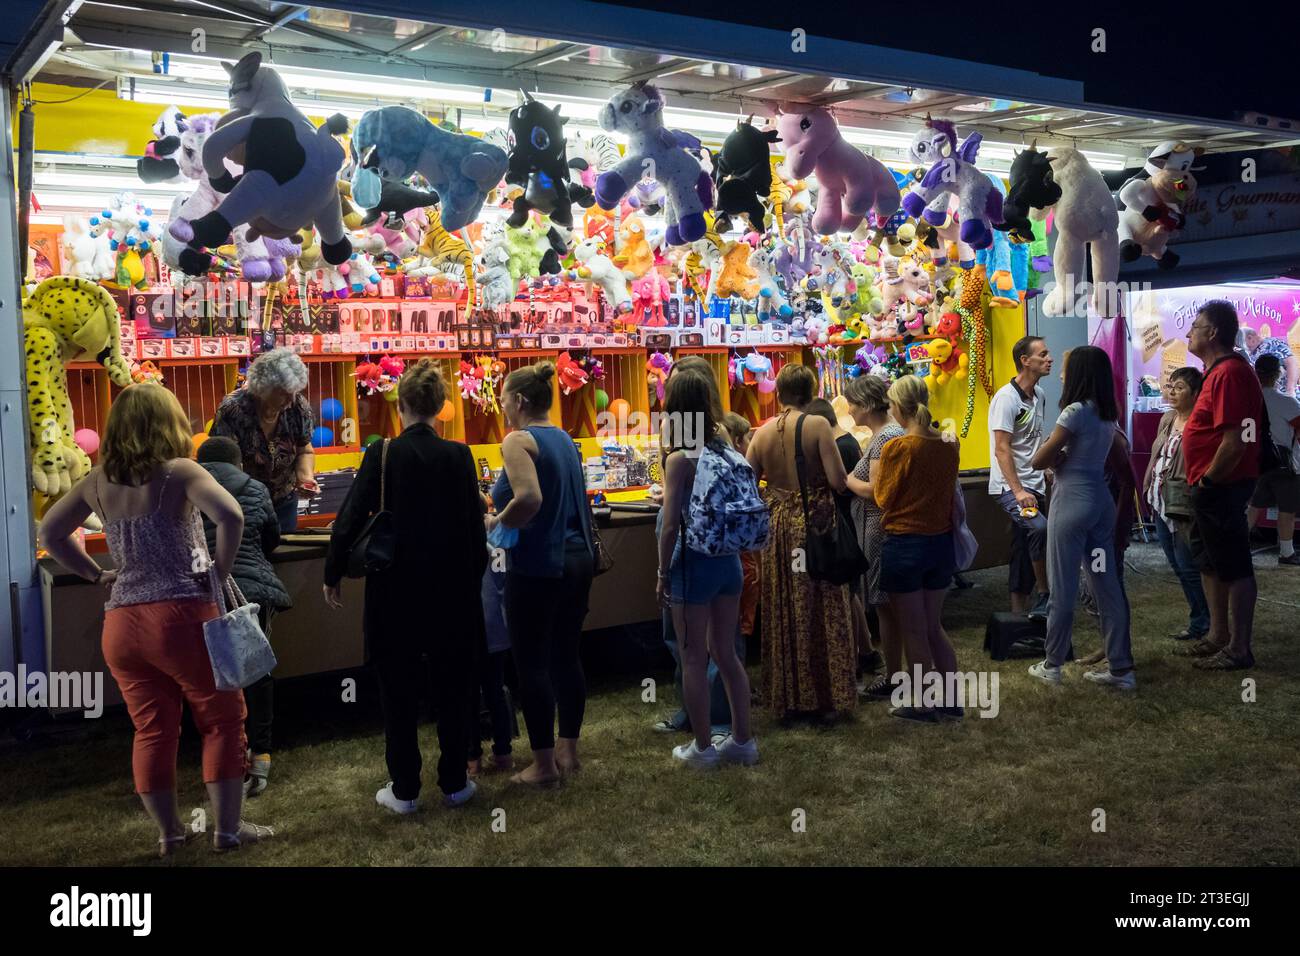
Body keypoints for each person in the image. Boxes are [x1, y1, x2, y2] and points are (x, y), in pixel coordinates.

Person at [39, 384, 272, 855]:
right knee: (223, 720)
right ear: (170, 424)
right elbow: (230, 515)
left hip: (122, 624)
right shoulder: (179, 473)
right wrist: (219, 570)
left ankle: (169, 835)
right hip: (183, 613)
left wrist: (96, 574)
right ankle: (227, 830)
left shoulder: (97, 481)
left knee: (151, 729)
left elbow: (51, 531)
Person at [324, 359, 486, 812]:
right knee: (453, 688)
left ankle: (405, 789)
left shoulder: (383, 453)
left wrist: (333, 572)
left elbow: (350, 517)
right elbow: (475, 530)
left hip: (394, 591)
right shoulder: (459, 455)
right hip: (450, 592)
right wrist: (472, 580)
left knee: (398, 691)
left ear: (401, 406)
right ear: (440, 407)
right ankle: (455, 782)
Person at [488, 362, 597, 786]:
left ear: (518, 401)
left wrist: (497, 522)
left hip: (539, 565)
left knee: (531, 662)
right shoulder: (565, 439)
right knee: (566, 656)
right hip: (577, 559)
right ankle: (568, 752)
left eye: (502, 402)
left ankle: (544, 764)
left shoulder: (518, 440)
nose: (501, 410)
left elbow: (529, 498)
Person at [655, 372, 758, 768]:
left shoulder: (680, 458)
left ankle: (702, 748)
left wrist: (663, 573)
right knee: (727, 653)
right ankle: (743, 740)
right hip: (728, 563)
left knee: (693, 656)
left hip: (692, 565)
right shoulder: (727, 447)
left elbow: (669, 525)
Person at [746, 364, 857, 721]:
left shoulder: (761, 433)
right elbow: (839, 480)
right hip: (815, 525)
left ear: (778, 392)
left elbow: (747, 481)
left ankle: (789, 696)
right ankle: (826, 696)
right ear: (810, 391)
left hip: (778, 529)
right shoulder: (818, 426)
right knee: (822, 606)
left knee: (784, 606)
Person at [1027, 345, 1135, 690]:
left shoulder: (1074, 412)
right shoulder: (1107, 413)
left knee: (1062, 586)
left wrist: (1055, 453)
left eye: (1066, 367)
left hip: (1071, 505)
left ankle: (1053, 663)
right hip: (1100, 507)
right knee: (1105, 585)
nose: (1060, 371)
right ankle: (1121, 668)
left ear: (1079, 373)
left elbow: (1038, 459)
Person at [196, 436, 292, 797]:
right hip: (250, 591)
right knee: (256, 674)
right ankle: (260, 755)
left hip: (199, 591)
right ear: (237, 463)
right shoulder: (254, 487)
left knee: (209, 680)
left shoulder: (182, 487)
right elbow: (272, 538)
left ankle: (220, 758)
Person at [871, 375, 962, 721]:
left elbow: (883, 497)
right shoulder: (948, 444)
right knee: (933, 626)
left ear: (897, 407)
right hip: (940, 543)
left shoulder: (899, 448)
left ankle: (922, 702)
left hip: (905, 543)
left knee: (912, 630)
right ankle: (951, 700)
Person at [1179, 301, 1264, 670]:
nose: (1189, 332)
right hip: (1211, 484)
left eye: (1195, 326)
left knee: (1233, 564)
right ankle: (1218, 635)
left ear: (1213, 332)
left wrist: (1210, 481)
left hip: (1221, 485)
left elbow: (1235, 440)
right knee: (1211, 561)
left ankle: (1239, 648)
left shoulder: (1229, 373)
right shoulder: (1216, 372)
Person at [211, 347, 319, 533]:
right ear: (263, 387)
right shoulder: (233, 409)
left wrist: (305, 478)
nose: (291, 399)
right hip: (244, 505)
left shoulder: (298, 406)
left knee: (285, 557)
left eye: (294, 391)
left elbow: (305, 450)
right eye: (284, 393)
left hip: (284, 502)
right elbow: (224, 467)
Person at [844, 374, 906, 700]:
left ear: (867, 405)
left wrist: (846, 479)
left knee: (886, 606)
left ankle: (895, 675)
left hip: (878, 528)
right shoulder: (887, 434)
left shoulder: (885, 439)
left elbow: (877, 492)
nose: (849, 410)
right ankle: (897, 672)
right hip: (877, 527)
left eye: (852, 403)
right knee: (889, 606)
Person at [1142, 367, 1211, 641]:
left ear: (1196, 393)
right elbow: (1155, 456)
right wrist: (1147, 482)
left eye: (1179, 387)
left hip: (1183, 501)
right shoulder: (1168, 419)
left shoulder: (1200, 423)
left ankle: (1204, 622)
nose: (1171, 391)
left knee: (1188, 563)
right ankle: (1200, 618)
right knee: (1175, 561)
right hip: (1159, 499)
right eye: (1170, 385)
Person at [988, 335, 1053, 618]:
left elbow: (1034, 441)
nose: (1049, 358)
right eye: (1043, 354)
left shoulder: (1040, 396)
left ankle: (1018, 612)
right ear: (1025, 361)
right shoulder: (1006, 399)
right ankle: (1044, 594)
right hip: (1011, 487)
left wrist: (1047, 466)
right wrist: (1017, 492)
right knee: (1038, 528)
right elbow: (1002, 449)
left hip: (1035, 483)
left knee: (1023, 544)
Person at [470, 506, 515, 776]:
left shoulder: (459, 547)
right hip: (497, 629)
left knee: (469, 694)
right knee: (496, 691)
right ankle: (504, 752)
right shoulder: (496, 548)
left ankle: (472, 758)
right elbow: (505, 582)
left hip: (470, 631)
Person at [1247, 353, 1300, 566]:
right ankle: (1286, 553)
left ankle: (1238, 547)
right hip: (1285, 464)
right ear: (1278, 373)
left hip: (1256, 462)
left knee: (1253, 506)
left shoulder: (1249, 400)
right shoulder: (1286, 401)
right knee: (1287, 509)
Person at [1242, 326, 1299, 399]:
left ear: (1250, 338)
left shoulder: (1273, 344)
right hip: (1271, 398)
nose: (1243, 347)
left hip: (1285, 396)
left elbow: (1291, 362)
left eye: (1242, 343)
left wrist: (1290, 389)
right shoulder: (1253, 352)